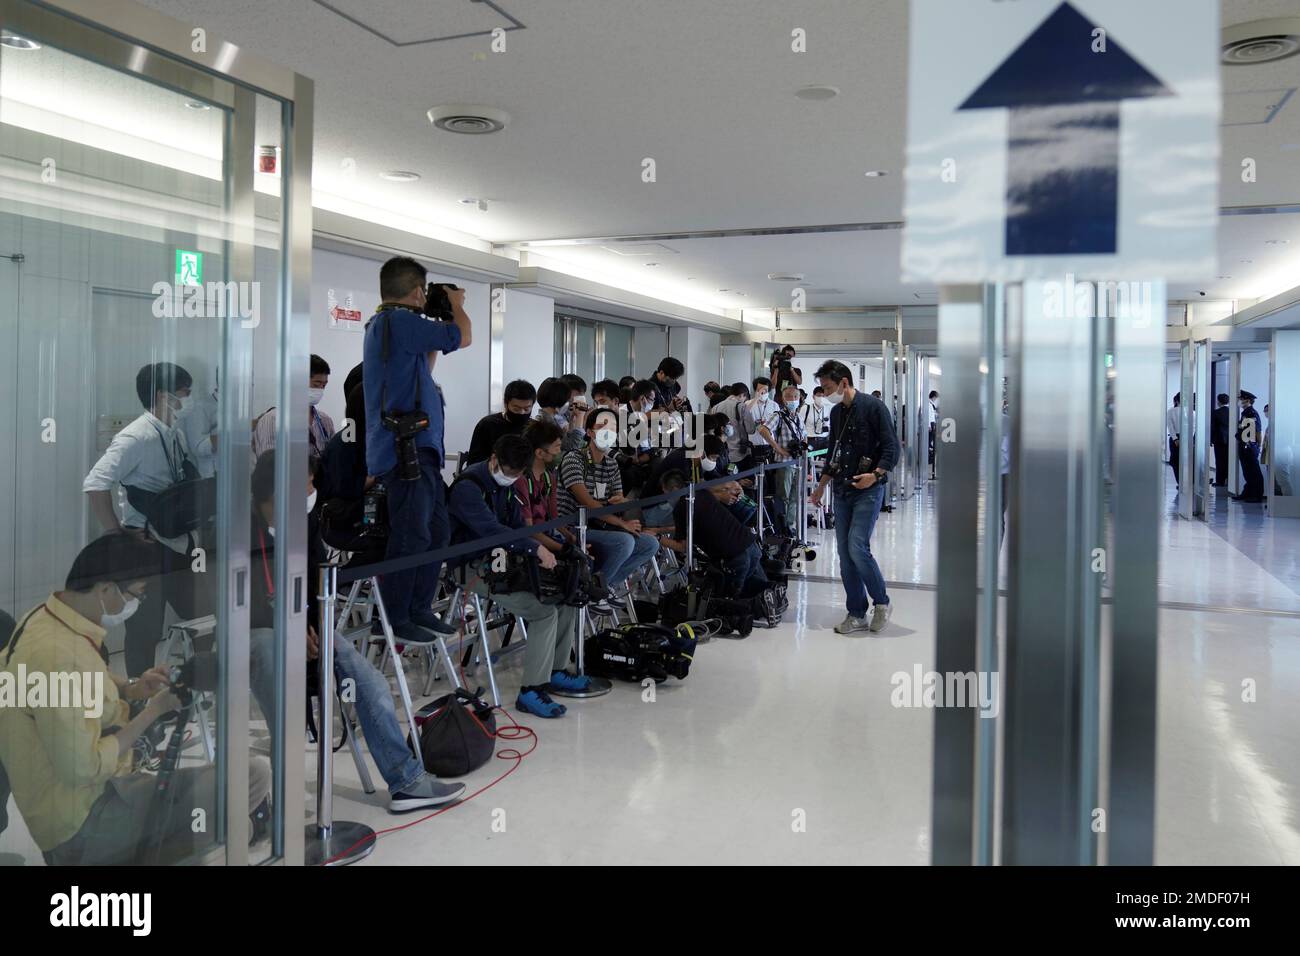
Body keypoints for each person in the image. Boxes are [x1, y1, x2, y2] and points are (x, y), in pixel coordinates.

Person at [0, 533, 271, 864]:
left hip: (101, 794)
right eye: (136, 595)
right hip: (85, 823)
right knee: (236, 811)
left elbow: (74, 684)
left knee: (251, 779)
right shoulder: (59, 656)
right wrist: (153, 712)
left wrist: (130, 688)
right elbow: (86, 768)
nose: (136, 604)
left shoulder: (43, 617)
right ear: (105, 589)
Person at [246, 452, 464, 811]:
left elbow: (319, 581)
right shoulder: (237, 527)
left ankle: (405, 781)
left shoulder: (303, 520)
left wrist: (311, 625)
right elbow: (236, 599)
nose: (313, 490)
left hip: (302, 627)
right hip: (253, 633)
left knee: (370, 681)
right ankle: (274, 791)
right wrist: (289, 627)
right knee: (272, 655)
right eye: (306, 483)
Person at [362, 256, 471, 643]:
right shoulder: (398, 320)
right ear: (416, 291)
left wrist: (436, 321)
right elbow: (464, 335)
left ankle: (420, 608)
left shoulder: (392, 326)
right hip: (405, 450)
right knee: (411, 536)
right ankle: (393, 617)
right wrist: (456, 306)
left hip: (419, 450)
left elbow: (427, 364)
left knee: (437, 532)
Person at [83, 362, 212, 677]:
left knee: (204, 618)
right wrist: (116, 533)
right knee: (144, 630)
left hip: (179, 544)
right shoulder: (135, 437)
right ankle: (140, 698)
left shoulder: (173, 433)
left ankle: (190, 688)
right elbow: (95, 484)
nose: (189, 399)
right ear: (163, 396)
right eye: (185, 393)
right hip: (144, 547)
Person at [449, 435, 591, 716]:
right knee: (542, 611)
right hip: (472, 566)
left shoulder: (511, 485)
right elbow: (492, 531)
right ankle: (531, 690)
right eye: (508, 471)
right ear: (493, 459)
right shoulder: (468, 487)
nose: (511, 477)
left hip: (509, 557)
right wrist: (535, 548)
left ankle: (556, 670)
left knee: (564, 593)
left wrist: (560, 550)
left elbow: (517, 526)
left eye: (517, 473)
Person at [810, 361, 899, 635]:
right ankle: (856, 612)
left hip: (868, 489)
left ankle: (881, 603)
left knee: (857, 546)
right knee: (844, 554)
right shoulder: (837, 413)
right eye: (822, 389)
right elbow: (832, 453)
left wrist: (877, 474)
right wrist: (821, 486)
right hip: (842, 489)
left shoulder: (874, 408)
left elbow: (891, 447)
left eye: (827, 388)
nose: (824, 394)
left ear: (844, 383)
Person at [557, 408, 660, 603]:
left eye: (612, 427)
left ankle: (603, 587)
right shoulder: (574, 459)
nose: (607, 432)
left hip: (601, 526)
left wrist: (622, 503)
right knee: (625, 541)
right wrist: (622, 523)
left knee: (650, 544)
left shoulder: (612, 464)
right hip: (572, 528)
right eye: (601, 426)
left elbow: (618, 501)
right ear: (589, 432)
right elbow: (587, 504)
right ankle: (592, 592)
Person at [657, 470, 768, 597]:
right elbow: (695, 526)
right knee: (760, 597)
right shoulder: (703, 493)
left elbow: (683, 546)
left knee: (730, 605)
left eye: (665, 492)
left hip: (734, 557)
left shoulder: (682, 506)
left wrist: (657, 538)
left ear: (675, 489)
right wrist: (659, 531)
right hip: (751, 546)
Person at [253, 354, 336, 463]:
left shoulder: (325, 421)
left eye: (324, 386)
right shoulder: (273, 420)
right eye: (316, 385)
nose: (320, 390)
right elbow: (268, 466)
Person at [642, 435, 727, 528]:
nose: (713, 461)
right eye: (713, 457)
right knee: (702, 515)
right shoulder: (681, 461)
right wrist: (718, 496)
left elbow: (700, 483)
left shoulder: (694, 458)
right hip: (653, 509)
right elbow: (689, 495)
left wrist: (726, 488)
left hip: (667, 502)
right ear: (703, 453)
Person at [465, 379, 536, 465]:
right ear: (506, 404)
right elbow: (474, 461)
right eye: (516, 409)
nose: (522, 413)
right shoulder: (488, 425)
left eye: (526, 409)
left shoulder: (534, 428)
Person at [769, 384, 809, 537]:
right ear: (783, 400)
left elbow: (804, 434)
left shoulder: (798, 417)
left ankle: (790, 527)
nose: (793, 399)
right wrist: (777, 448)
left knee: (794, 497)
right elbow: (763, 429)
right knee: (783, 496)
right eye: (789, 397)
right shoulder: (778, 415)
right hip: (784, 462)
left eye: (795, 397)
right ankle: (781, 527)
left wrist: (804, 447)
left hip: (797, 462)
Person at [1234, 390, 1265, 502]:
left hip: (1250, 446)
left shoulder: (1252, 413)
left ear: (1247, 400)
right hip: (1244, 445)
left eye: (1241, 399)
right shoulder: (1245, 413)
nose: (1239, 401)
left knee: (1254, 472)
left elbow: (1257, 431)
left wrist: (1258, 446)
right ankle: (1247, 493)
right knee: (1247, 471)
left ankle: (1257, 495)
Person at [1211, 392, 1231, 487]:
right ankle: (1229, 480)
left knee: (1219, 461)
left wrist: (1211, 439)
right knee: (1229, 460)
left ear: (1218, 402)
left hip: (1219, 440)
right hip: (1230, 440)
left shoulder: (1215, 412)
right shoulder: (1232, 412)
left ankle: (1220, 481)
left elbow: (1213, 427)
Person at [802, 385, 830, 450]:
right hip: (810, 440)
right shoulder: (806, 408)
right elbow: (800, 425)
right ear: (813, 397)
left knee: (824, 459)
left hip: (824, 441)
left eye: (823, 396)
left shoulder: (828, 409)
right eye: (818, 396)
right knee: (809, 459)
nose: (821, 398)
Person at [1166, 392, 1183, 487]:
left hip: (1175, 438)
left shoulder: (1171, 411)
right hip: (1188, 438)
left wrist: (1175, 439)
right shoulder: (1192, 412)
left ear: (1176, 400)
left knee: (1175, 461)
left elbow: (1170, 426)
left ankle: (1180, 481)